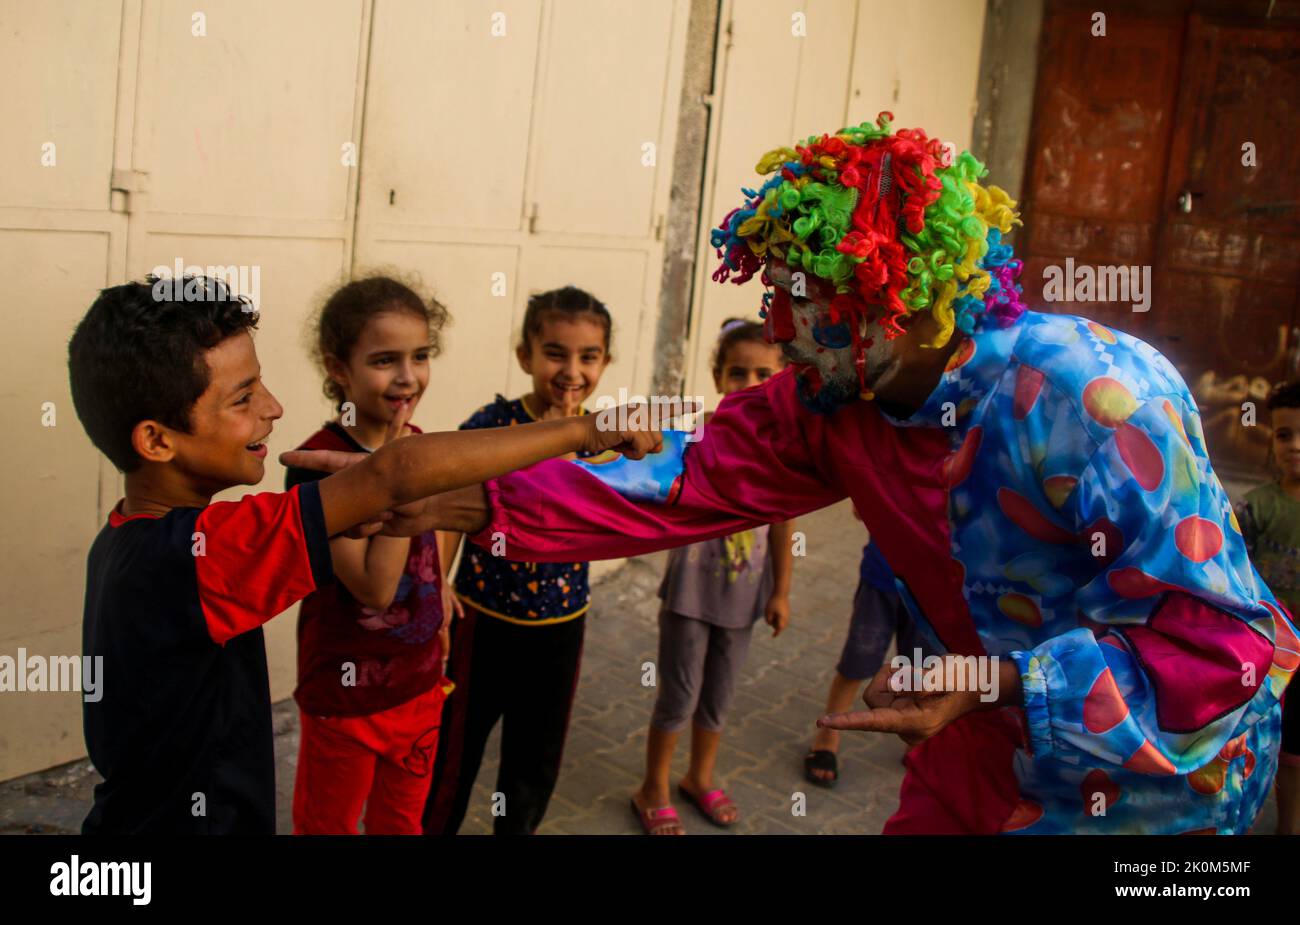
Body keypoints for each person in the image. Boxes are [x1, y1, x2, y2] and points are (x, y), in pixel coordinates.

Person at [287, 114, 1298, 835]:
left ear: (902, 304)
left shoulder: (1097, 401)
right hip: (978, 751)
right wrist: (414, 494)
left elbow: (1228, 654)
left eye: (810, 302)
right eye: (778, 295)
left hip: (1156, 790)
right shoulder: (835, 402)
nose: (779, 330)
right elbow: (676, 478)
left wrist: (996, 679)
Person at [68, 275, 663, 834]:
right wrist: (585, 433)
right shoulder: (201, 552)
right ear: (156, 440)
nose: (273, 408)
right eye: (244, 397)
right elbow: (394, 479)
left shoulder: (132, 537)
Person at [422, 286, 612, 836]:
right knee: (453, 755)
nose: (571, 370)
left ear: (605, 362)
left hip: (561, 628)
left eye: (588, 356)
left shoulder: (604, 438)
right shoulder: (492, 425)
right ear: (525, 355)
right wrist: (438, 586)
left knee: (534, 761)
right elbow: (448, 505)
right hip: (480, 623)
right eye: (555, 353)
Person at [285, 276, 453, 835]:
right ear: (338, 368)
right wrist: (400, 466)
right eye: (385, 360)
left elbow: (443, 522)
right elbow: (374, 589)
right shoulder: (316, 464)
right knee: (327, 825)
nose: (408, 377)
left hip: (420, 687)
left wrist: (440, 590)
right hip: (346, 696)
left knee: (402, 825)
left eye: (420, 356)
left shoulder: (417, 440)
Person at [632, 319, 794, 835]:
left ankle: (699, 778)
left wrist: (782, 591)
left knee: (719, 695)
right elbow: (661, 492)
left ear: (782, 377)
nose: (748, 384)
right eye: (736, 373)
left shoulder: (782, 449)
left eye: (762, 374)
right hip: (690, 593)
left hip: (744, 598)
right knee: (678, 694)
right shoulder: (699, 436)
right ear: (717, 377)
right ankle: (652, 787)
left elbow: (784, 520)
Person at [1236, 380, 1300, 834]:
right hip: (1268, 647)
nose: (1294, 446)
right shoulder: (1253, 506)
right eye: (1283, 435)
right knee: (1270, 740)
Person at [805, 535, 919, 787]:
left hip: (937, 585)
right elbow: (862, 504)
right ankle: (828, 734)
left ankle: (917, 739)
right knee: (857, 661)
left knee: (922, 670)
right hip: (883, 576)